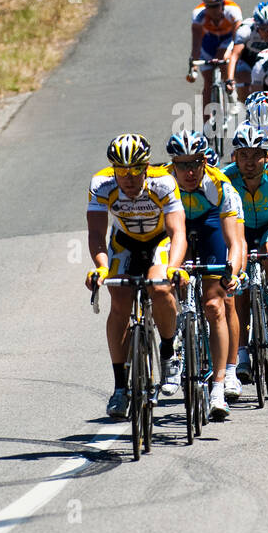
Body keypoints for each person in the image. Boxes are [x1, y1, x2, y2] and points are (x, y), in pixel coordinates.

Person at [86, 134, 188, 417]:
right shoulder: (101, 184)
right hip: (124, 243)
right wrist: (101, 267)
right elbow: (96, 233)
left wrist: (174, 266)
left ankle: (168, 352)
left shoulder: (163, 182)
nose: (128, 177)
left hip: (159, 241)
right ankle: (120, 388)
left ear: (146, 167)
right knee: (119, 301)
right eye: (121, 170)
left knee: (160, 287)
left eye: (135, 170)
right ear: (113, 169)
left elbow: (177, 231)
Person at [166, 130, 243, 418]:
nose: (189, 171)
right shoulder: (161, 182)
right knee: (164, 285)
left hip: (211, 227)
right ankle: (173, 345)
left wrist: (232, 273)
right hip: (176, 229)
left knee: (214, 305)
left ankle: (219, 386)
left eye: (195, 163)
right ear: (172, 164)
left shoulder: (220, 185)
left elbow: (235, 241)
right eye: (182, 164)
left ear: (204, 162)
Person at [224, 123, 268, 374]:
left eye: (256, 155)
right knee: (238, 287)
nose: (249, 162)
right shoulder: (227, 177)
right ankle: (242, 352)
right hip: (241, 229)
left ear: (267, 156)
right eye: (243, 155)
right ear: (235, 156)